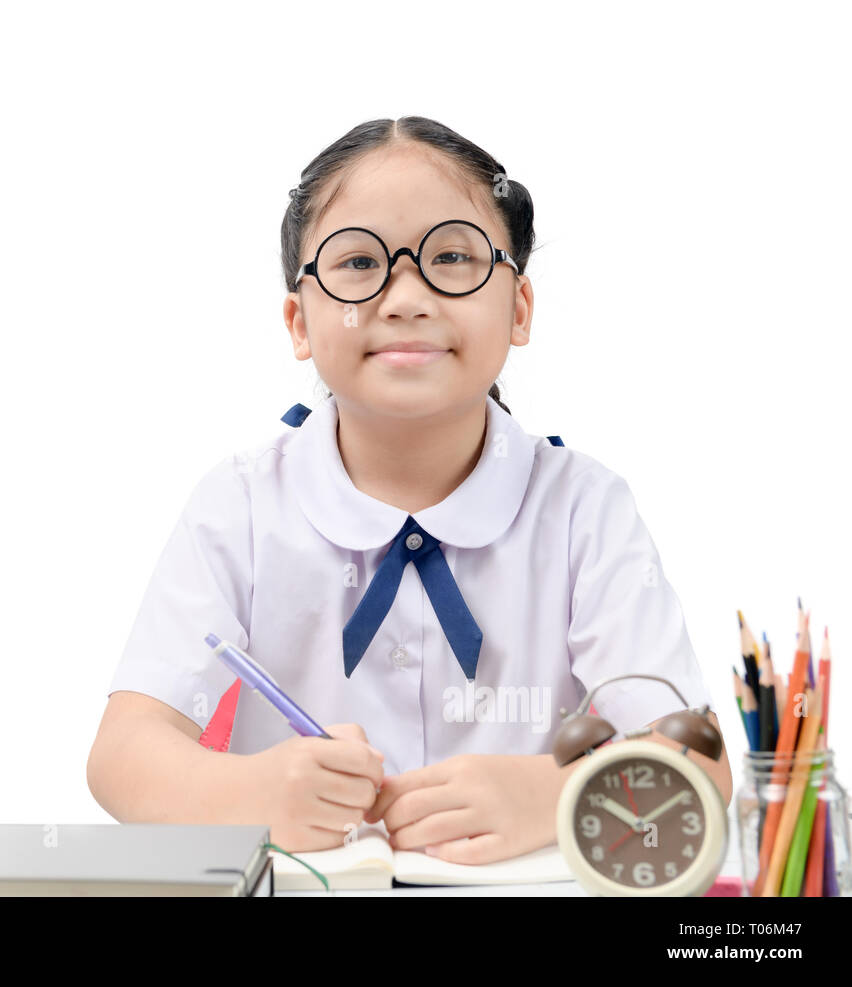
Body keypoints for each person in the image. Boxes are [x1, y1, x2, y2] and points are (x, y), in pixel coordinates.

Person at [86, 116, 731, 861]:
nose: (406, 297)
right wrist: (255, 794)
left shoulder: (585, 508)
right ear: (299, 322)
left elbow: (702, 761)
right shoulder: (241, 505)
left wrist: (555, 792)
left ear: (520, 308)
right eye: (359, 262)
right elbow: (122, 758)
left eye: (452, 256)